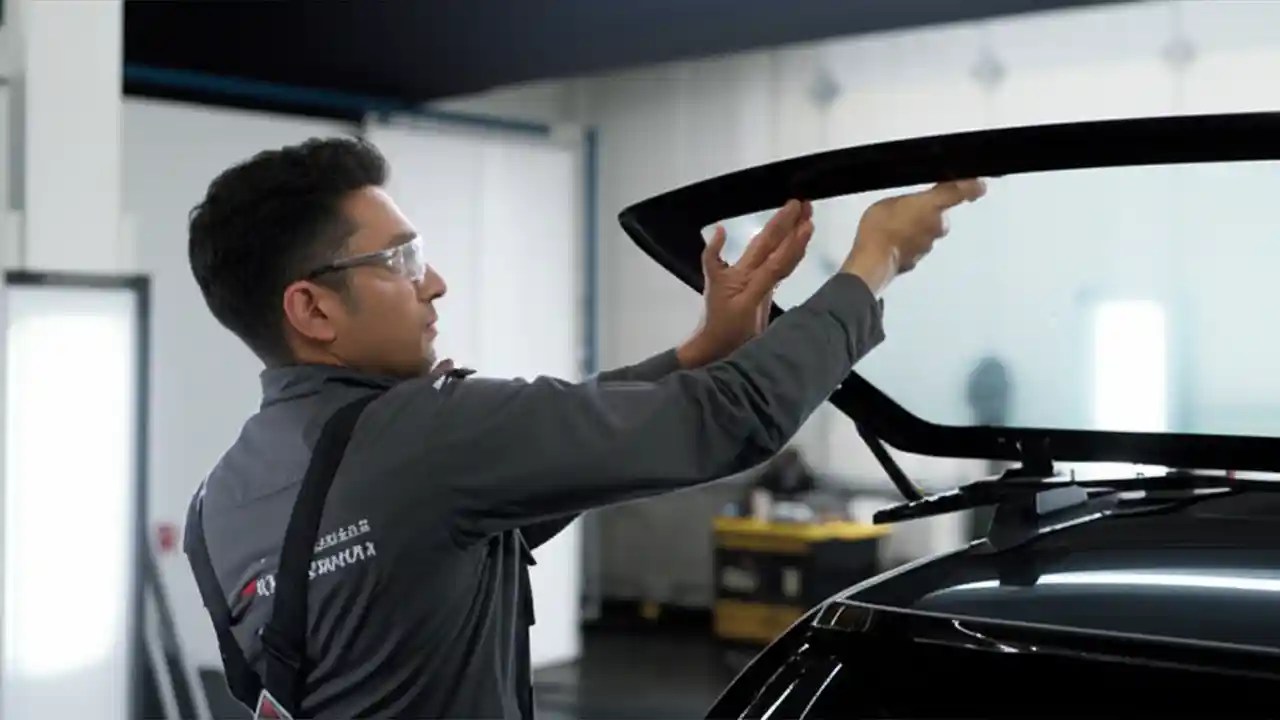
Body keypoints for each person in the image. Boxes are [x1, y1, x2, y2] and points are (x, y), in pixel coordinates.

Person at [183, 135, 985, 719]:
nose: (434, 283)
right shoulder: (431, 435)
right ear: (312, 308)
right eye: (399, 260)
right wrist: (872, 265)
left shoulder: (214, 511)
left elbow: (547, 454)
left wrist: (705, 349)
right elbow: (735, 418)